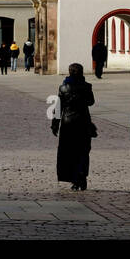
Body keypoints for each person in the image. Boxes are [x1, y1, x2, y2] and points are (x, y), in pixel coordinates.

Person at [51, 61, 96, 191]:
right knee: (83, 151)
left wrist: (55, 125)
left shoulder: (63, 87)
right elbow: (91, 102)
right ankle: (82, 176)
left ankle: (74, 179)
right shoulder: (87, 86)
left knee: (69, 151)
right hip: (83, 122)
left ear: (70, 72)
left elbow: (58, 108)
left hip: (68, 123)